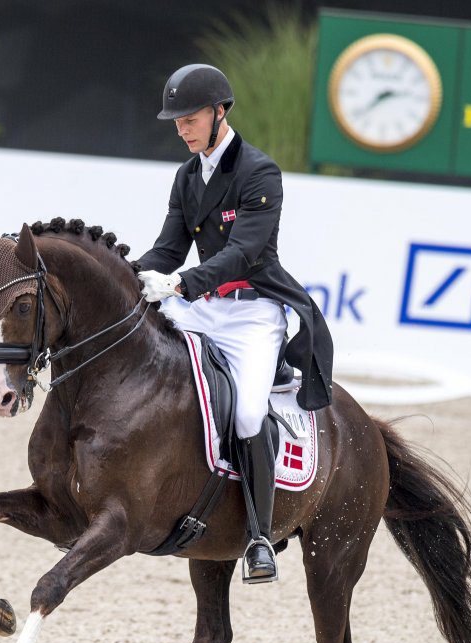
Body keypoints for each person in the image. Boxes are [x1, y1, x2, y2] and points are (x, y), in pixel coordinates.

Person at [136, 63, 334, 582]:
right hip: (200, 307)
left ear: (219, 112)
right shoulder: (186, 176)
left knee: (247, 414)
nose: (181, 129)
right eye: (175, 121)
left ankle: (261, 536)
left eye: (190, 118)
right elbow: (168, 248)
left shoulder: (258, 171)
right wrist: (124, 276)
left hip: (250, 311)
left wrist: (181, 284)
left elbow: (246, 251)